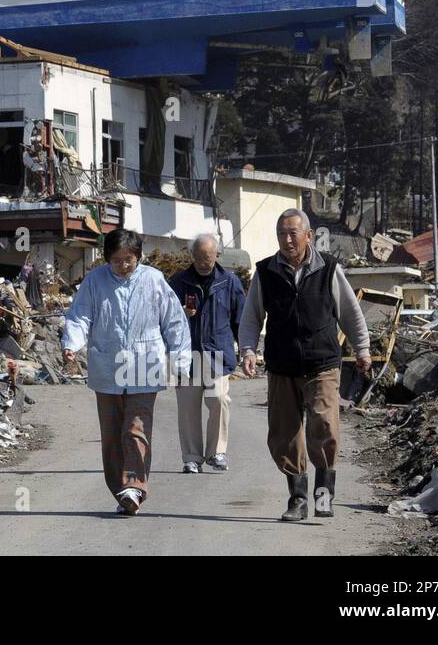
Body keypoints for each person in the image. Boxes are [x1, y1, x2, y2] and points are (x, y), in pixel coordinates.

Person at [238, 208, 371, 521]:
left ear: (309, 235)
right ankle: (297, 499)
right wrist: (247, 350)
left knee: (324, 424)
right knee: (284, 432)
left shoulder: (328, 269)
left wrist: (362, 348)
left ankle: (323, 496)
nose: (287, 240)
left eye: (293, 233)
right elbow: (251, 317)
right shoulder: (266, 272)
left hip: (321, 361)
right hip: (282, 364)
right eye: (281, 234)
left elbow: (350, 313)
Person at [63, 229, 190, 515]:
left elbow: (174, 322)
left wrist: (181, 361)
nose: (123, 266)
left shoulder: (154, 280)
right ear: (107, 258)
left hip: (146, 367)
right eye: (117, 260)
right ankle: (121, 492)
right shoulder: (95, 281)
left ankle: (134, 485)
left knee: (136, 430)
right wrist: (72, 344)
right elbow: (80, 315)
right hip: (107, 369)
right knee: (111, 436)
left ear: (138, 257)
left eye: (129, 260)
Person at [169, 233, 245, 473]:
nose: (203, 262)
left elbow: (240, 320)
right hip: (186, 355)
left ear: (218, 255)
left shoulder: (230, 282)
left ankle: (217, 452)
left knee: (219, 400)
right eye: (199, 257)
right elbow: (164, 318)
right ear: (192, 256)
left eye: (208, 257)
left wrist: (246, 349)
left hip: (217, 354)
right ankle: (192, 457)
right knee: (188, 410)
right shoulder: (178, 282)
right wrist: (180, 314)